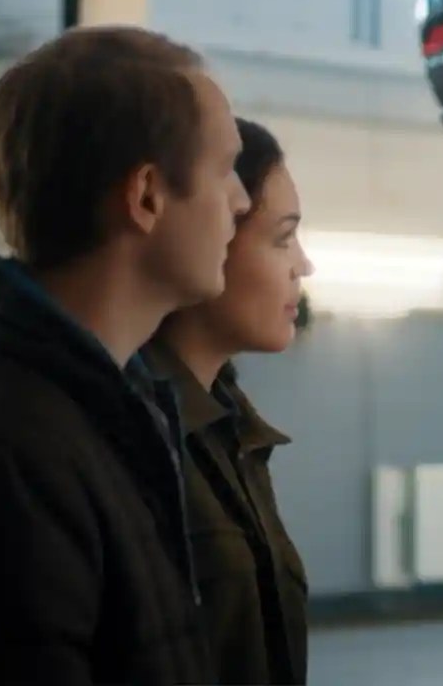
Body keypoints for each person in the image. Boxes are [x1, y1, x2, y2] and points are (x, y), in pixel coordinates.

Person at [0, 26, 248, 683]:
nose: (241, 201)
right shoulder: (3, 446)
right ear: (147, 196)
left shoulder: (103, 406)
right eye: (225, 170)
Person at [139, 117, 314, 684]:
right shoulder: (130, 433)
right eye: (282, 238)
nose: (303, 265)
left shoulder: (230, 430)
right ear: (210, 231)